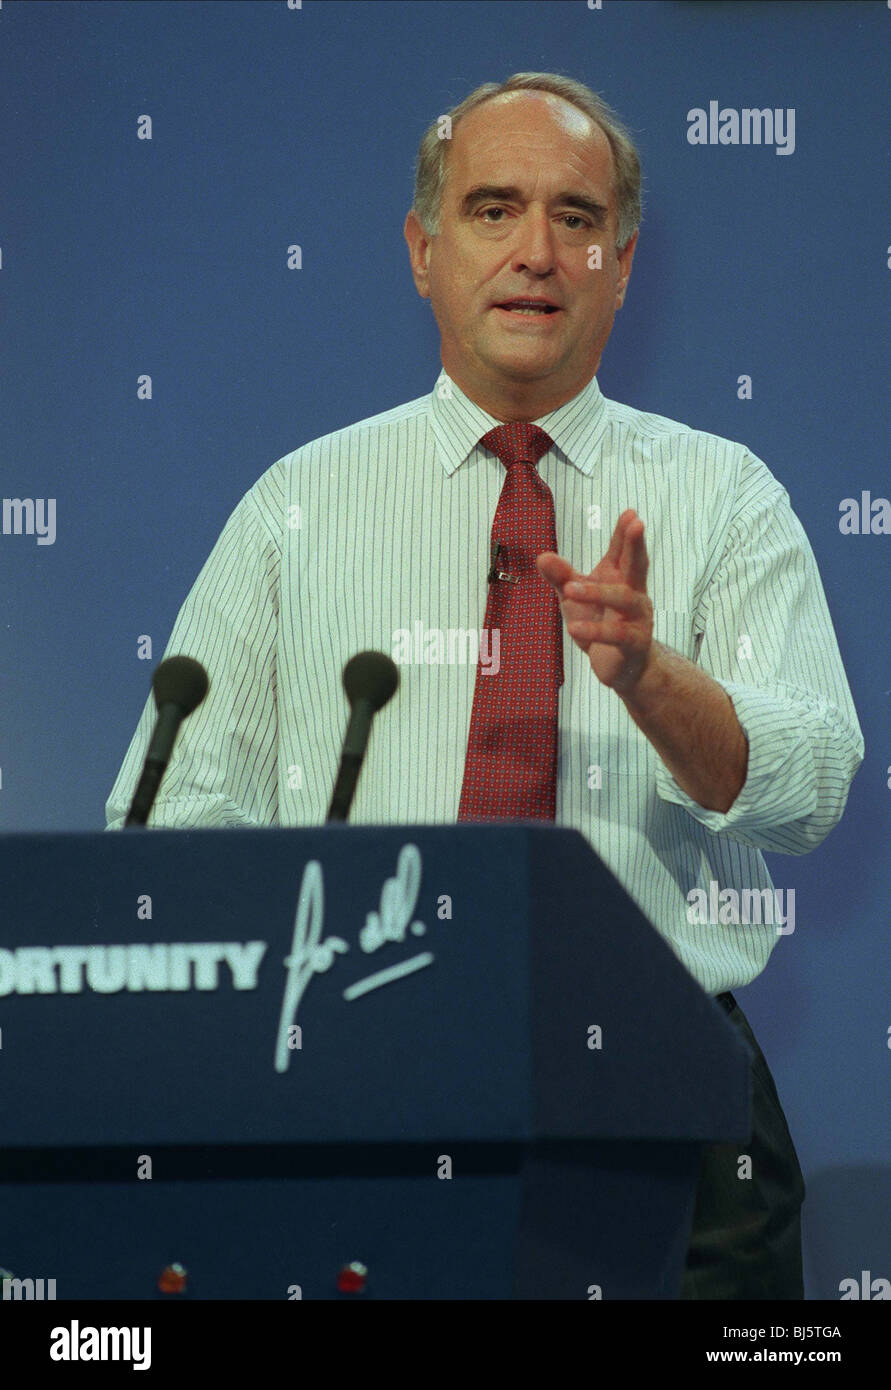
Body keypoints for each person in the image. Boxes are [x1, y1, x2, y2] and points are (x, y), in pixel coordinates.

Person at [106, 72, 864, 1299]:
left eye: (576, 218)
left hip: (666, 1116)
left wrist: (649, 678)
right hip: (361, 1081)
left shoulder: (727, 497)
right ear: (421, 250)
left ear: (622, 262)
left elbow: (814, 785)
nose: (535, 253)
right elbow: (175, 827)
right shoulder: (297, 508)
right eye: (493, 208)